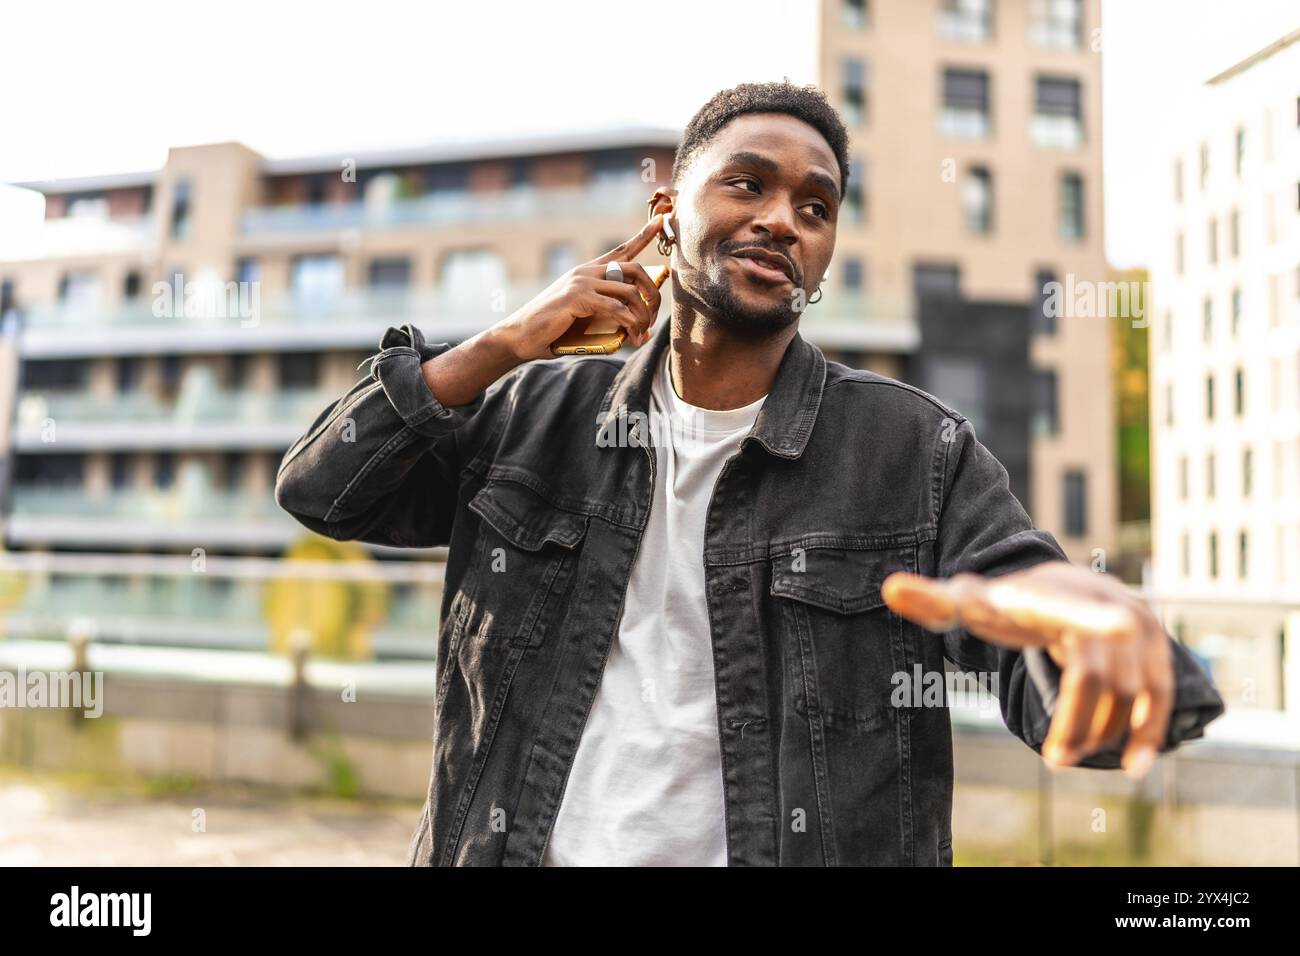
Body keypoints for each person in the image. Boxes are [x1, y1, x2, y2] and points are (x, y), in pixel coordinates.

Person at [275, 82, 1224, 866]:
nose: (782, 219)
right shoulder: (532, 415)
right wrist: (505, 342)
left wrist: (1104, 631)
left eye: (815, 207)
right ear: (666, 214)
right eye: (746, 185)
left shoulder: (909, 450)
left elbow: (1039, 627)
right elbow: (324, 489)